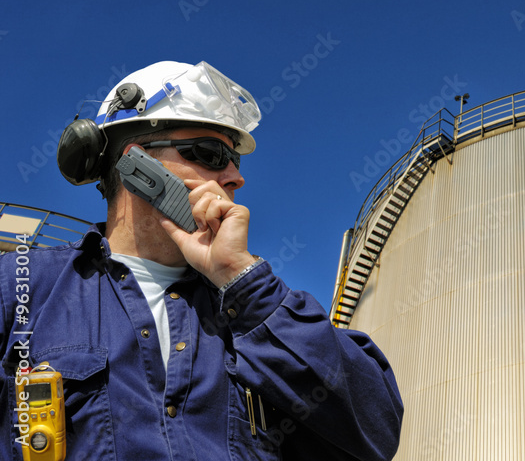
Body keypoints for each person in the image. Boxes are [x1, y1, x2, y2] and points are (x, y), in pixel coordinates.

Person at [0, 61, 403, 460]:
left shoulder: (259, 313)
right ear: (137, 163)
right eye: (210, 154)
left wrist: (242, 282)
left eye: (236, 161)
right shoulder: (22, 289)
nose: (234, 177)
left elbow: (376, 433)